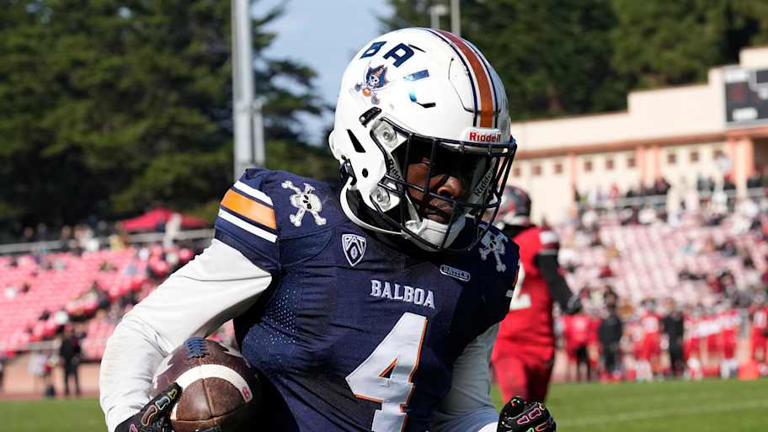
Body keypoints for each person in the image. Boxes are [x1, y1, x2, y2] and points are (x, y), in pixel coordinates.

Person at [99, 28, 556, 432]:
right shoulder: (295, 223)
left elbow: (458, 414)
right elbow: (148, 333)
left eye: (474, 166)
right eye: (438, 160)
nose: (456, 185)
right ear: (372, 140)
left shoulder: (482, 262)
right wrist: (128, 421)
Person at [491, 186, 582, 401]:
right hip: (508, 340)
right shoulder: (495, 244)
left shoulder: (535, 237)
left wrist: (567, 299)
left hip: (541, 341)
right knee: (517, 405)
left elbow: (553, 276)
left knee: (534, 413)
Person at [598, 292, 623, 380]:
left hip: (614, 341)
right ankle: (607, 374)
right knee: (606, 358)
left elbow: (620, 330)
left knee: (615, 358)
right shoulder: (603, 318)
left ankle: (615, 374)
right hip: (605, 342)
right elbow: (600, 331)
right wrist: (601, 340)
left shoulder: (616, 317)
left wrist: (617, 340)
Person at [660, 299, 684, 378]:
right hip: (670, 339)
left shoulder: (678, 316)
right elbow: (663, 328)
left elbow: (681, 328)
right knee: (671, 355)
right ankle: (673, 371)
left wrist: (681, 337)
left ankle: (681, 370)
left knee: (679, 355)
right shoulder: (666, 318)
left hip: (677, 338)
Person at [59, 326, 82, 396]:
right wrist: (61, 358)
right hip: (66, 361)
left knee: (75, 375)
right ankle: (66, 389)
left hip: (73, 360)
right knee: (66, 376)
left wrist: (76, 357)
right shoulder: (64, 340)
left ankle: (77, 389)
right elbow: (61, 351)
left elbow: (78, 350)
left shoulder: (75, 340)